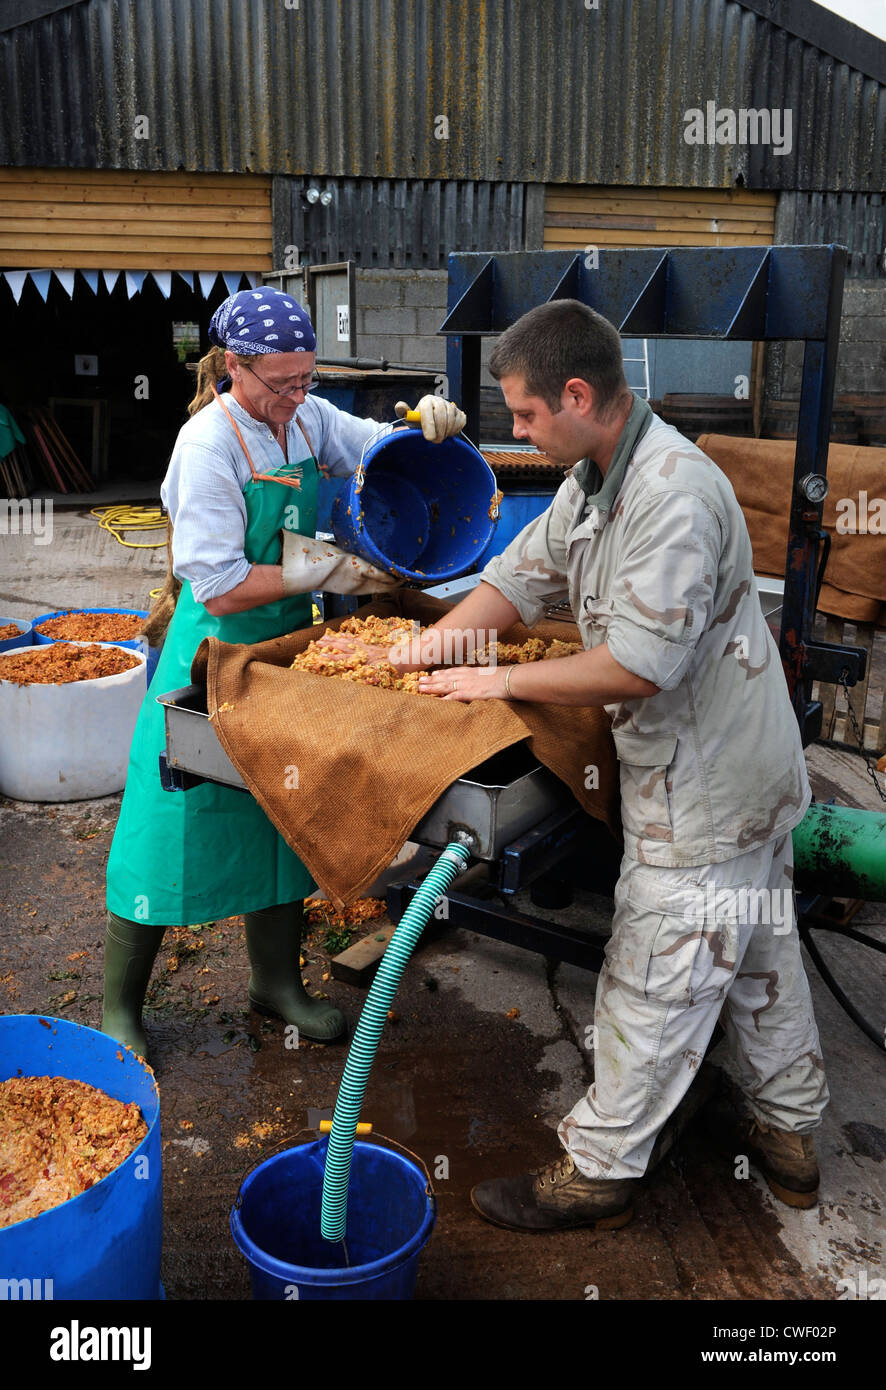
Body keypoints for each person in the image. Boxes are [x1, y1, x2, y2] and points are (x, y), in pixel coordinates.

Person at [325, 298, 828, 1230]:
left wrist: (496, 685)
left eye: (524, 414)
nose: (516, 431)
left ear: (578, 395)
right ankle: (790, 1136)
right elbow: (519, 577)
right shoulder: (596, 474)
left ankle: (600, 1168)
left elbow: (640, 665)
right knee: (760, 955)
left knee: (652, 975)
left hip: (707, 787)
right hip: (744, 774)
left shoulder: (671, 494)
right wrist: (432, 649)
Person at [102, 287, 465, 1060]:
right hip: (215, 652)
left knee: (280, 818)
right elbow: (220, 585)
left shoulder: (304, 417)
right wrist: (324, 569)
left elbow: (373, 447)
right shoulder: (208, 445)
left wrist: (427, 426)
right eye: (282, 383)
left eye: (307, 379)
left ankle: (276, 985)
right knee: (168, 826)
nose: (298, 396)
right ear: (233, 367)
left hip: (289, 653)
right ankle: (120, 1009)